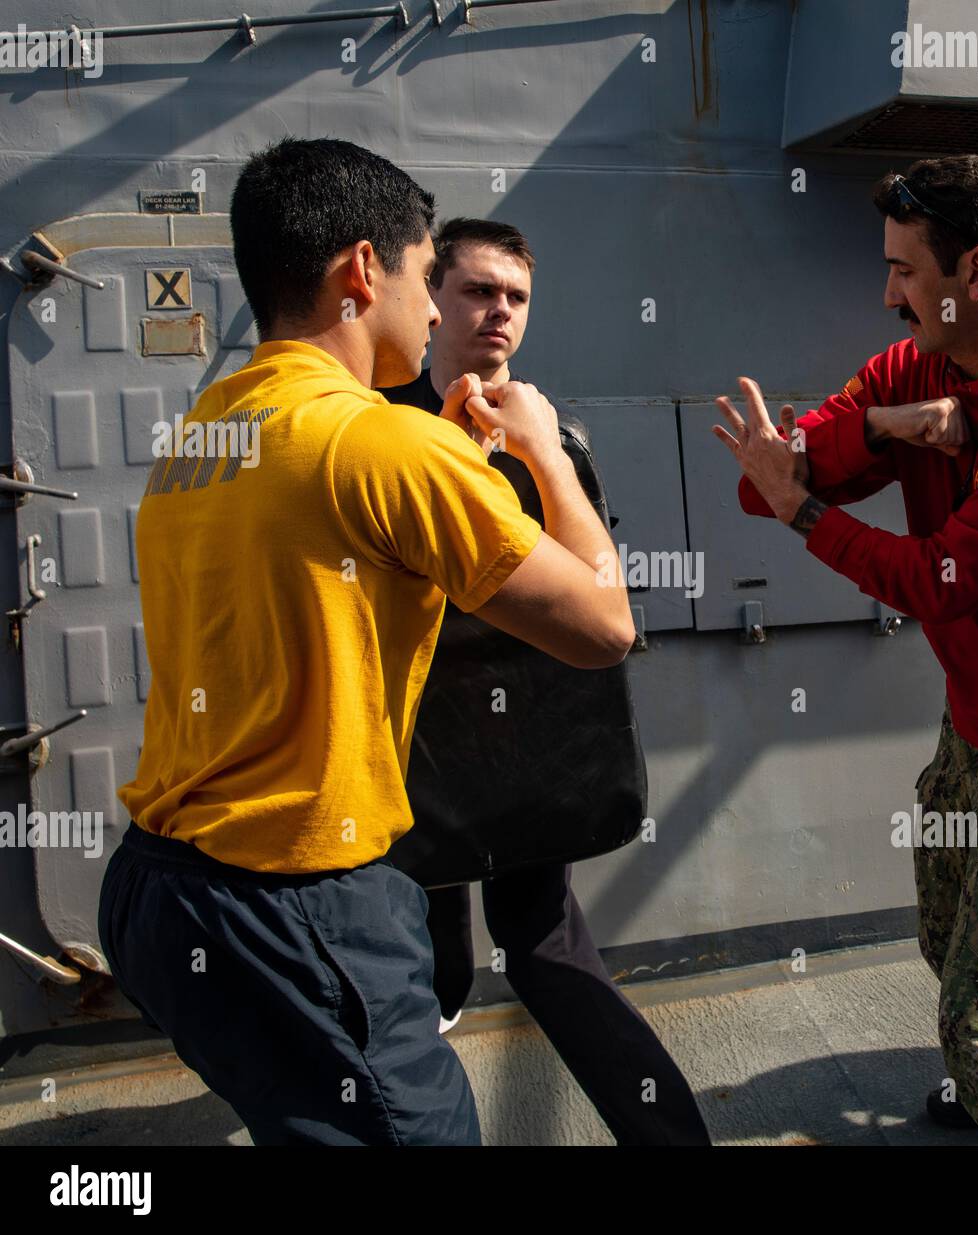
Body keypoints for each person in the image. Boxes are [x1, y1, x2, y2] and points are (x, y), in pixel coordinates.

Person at [97, 138, 635, 1146]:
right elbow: (605, 625)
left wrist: (457, 464)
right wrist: (544, 451)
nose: (435, 310)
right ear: (359, 272)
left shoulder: (204, 436)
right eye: (427, 277)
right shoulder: (386, 440)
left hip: (159, 895)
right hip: (298, 903)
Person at [714, 154, 978, 1147]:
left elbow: (933, 576)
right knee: (945, 934)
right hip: (975, 718)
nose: (887, 293)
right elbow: (762, 477)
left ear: (975, 271)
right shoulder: (923, 365)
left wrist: (806, 506)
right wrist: (890, 423)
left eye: (904, 272)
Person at [379, 218, 711, 1146]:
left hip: (523, 746)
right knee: (420, 967)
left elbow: (594, 602)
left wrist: (543, 457)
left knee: (545, 944)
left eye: (516, 297)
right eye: (480, 290)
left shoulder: (548, 432)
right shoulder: (378, 427)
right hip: (410, 752)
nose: (498, 313)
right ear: (432, 295)